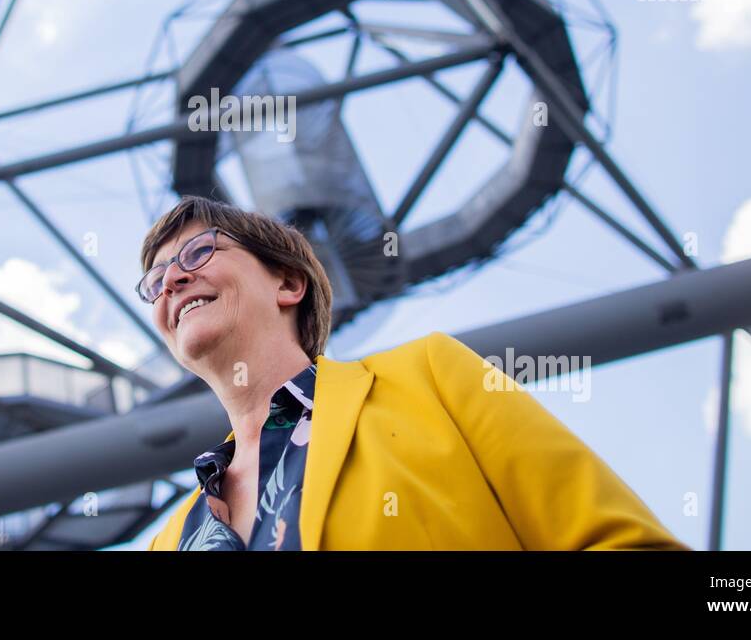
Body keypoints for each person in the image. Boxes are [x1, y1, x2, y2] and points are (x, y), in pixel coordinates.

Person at [137, 195, 691, 551]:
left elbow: (617, 541)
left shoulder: (430, 377)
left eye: (198, 252)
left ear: (288, 284)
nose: (172, 282)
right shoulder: (171, 538)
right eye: (156, 280)